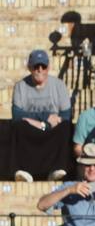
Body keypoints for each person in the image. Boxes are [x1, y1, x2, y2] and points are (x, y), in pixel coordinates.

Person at [10, 48, 73, 182]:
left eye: (43, 66)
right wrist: (45, 118)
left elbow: (66, 115)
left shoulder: (59, 85)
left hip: (52, 130)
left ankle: (57, 169)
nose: (40, 69)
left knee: (66, 126)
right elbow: (17, 114)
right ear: (29, 68)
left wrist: (39, 122)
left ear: (48, 67)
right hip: (31, 130)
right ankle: (23, 171)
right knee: (18, 126)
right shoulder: (21, 86)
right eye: (36, 66)